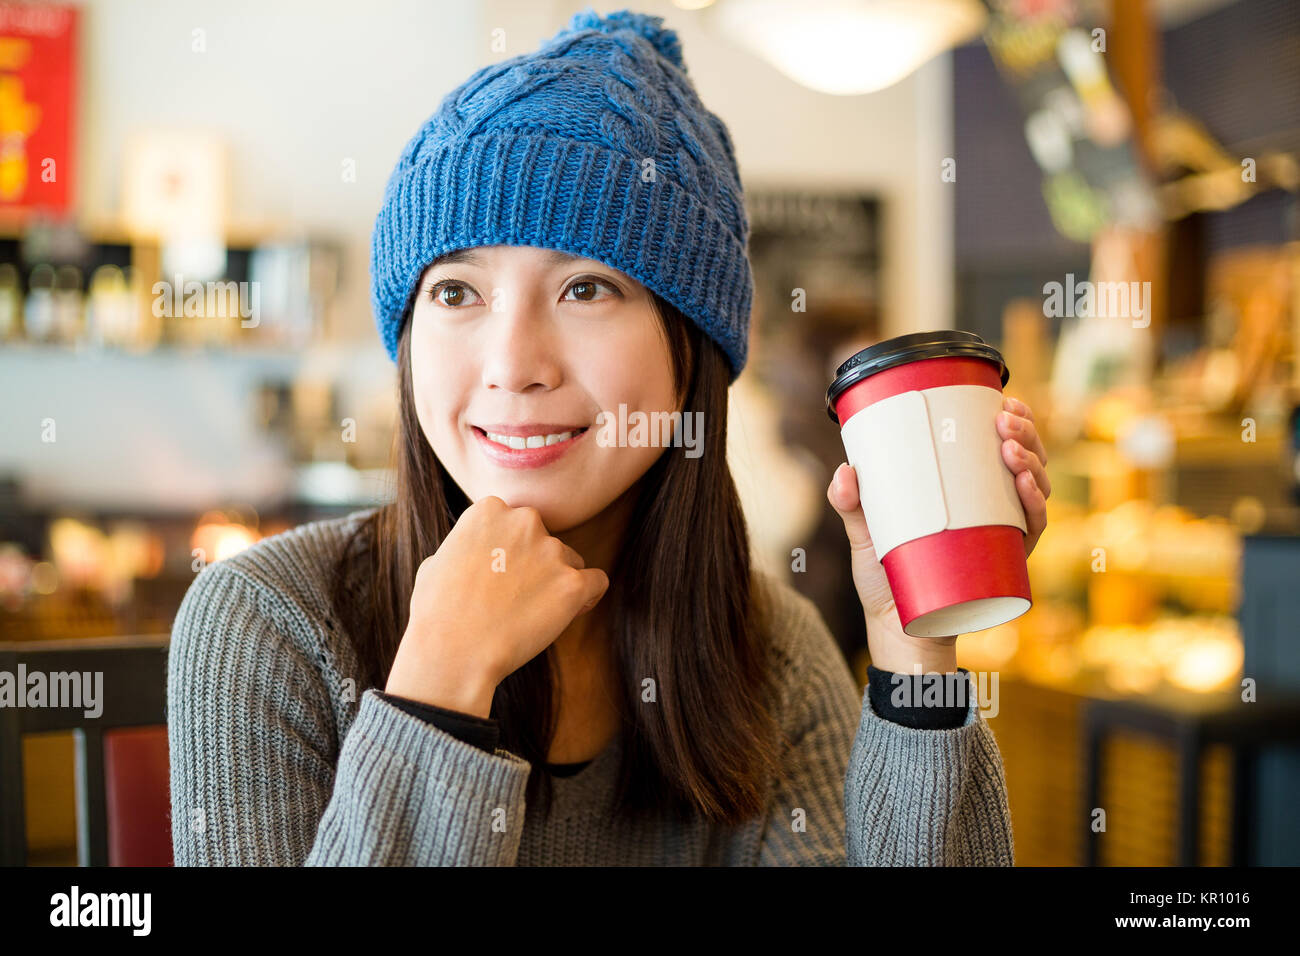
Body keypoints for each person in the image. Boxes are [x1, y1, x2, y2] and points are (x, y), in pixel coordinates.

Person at [167, 8, 1051, 866]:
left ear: (690, 349)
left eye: (586, 289)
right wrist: (437, 693)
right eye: (456, 293)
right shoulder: (267, 623)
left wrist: (914, 645)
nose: (513, 365)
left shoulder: (767, 649)